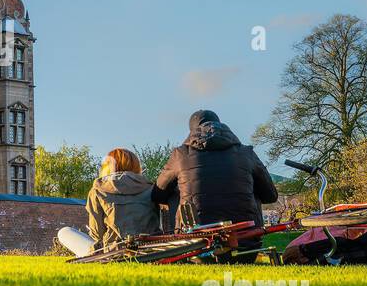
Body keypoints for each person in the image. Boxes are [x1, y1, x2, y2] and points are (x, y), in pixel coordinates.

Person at [151, 110, 278, 261]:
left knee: (173, 191)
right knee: (254, 187)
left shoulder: (180, 154)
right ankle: (245, 235)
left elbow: (157, 195)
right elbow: (271, 195)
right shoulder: (246, 153)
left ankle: (178, 241)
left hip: (195, 246)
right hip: (246, 245)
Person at [56, 148, 161, 256]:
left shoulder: (98, 190)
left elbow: (97, 234)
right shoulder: (151, 187)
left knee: (64, 232)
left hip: (113, 252)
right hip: (150, 248)